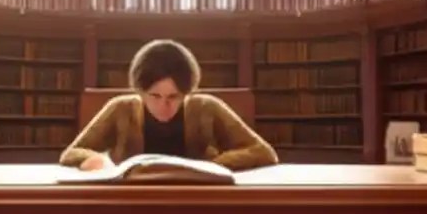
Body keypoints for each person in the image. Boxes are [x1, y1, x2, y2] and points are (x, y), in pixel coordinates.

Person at [59, 39, 279, 171]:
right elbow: (71, 154)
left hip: (198, 202)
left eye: (174, 97)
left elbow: (263, 152)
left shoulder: (207, 107)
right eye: (154, 96)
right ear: (140, 91)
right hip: (130, 201)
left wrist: (214, 166)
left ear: (187, 92)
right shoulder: (120, 108)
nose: (164, 106)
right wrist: (94, 159)